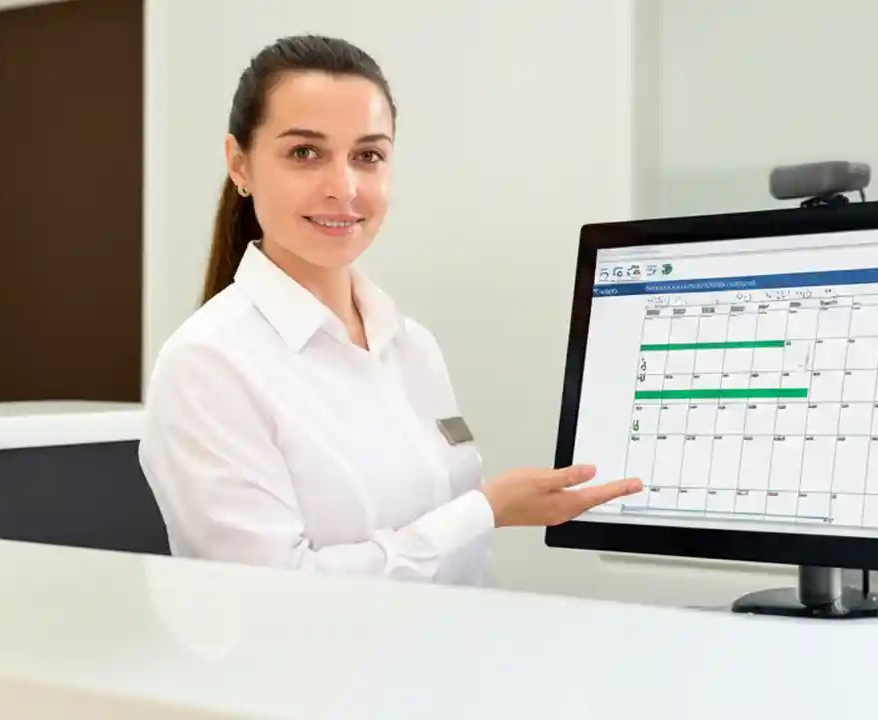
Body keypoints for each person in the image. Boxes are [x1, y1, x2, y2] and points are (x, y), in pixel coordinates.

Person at [138, 35, 641, 585]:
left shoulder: (412, 346)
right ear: (240, 165)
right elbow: (270, 594)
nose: (344, 188)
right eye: (305, 153)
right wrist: (484, 510)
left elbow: (463, 568)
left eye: (367, 156)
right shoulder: (207, 365)